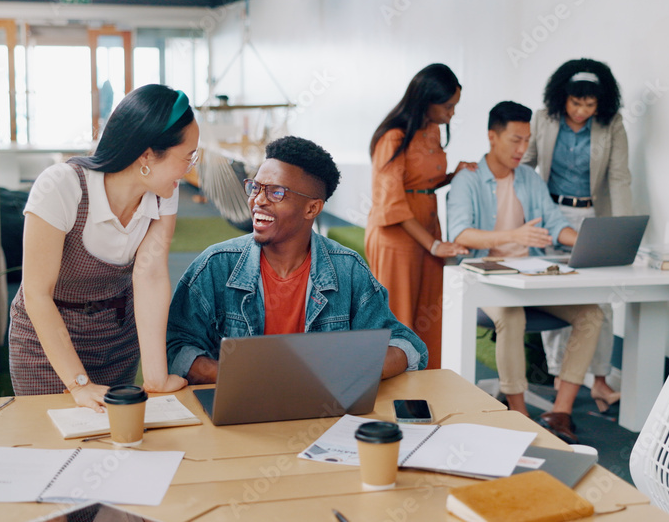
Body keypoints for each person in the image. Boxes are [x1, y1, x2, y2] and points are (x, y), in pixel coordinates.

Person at [166, 136, 428, 383]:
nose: (258, 200)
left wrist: (345, 373)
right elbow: (175, 348)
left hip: (322, 413)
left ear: (312, 208)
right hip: (242, 414)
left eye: (276, 193)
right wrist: (242, 378)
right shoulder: (215, 266)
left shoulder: (347, 270)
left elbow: (406, 345)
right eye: (255, 187)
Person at [9, 84, 195, 411]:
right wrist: (78, 383)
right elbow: (37, 293)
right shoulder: (61, 186)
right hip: (46, 348)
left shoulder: (164, 190)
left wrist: (155, 378)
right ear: (148, 155)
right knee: (53, 446)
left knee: (117, 443)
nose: (188, 169)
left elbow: (150, 275)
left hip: (115, 342)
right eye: (187, 157)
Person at [446, 101, 603, 444]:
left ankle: (559, 412)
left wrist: (587, 243)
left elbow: (556, 223)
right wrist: (512, 236)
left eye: (526, 140)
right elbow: (459, 233)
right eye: (515, 140)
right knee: (512, 317)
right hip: (483, 278)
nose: (522, 149)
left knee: (592, 314)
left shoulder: (529, 178)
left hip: (531, 278)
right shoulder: (468, 179)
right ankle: (520, 414)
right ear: (492, 137)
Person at [521, 58, 630, 412]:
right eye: (576, 103)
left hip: (590, 217)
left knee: (602, 297)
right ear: (561, 97)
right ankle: (559, 376)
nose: (582, 111)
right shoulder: (543, 119)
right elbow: (525, 166)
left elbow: (619, 177)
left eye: (590, 104)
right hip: (549, 214)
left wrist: (622, 231)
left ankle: (600, 380)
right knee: (555, 291)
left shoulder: (611, 124)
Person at [365, 63, 474, 370]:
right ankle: (390, 389)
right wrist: (433, 245)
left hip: (427, 232)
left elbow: (420, 183)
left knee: (429, 313)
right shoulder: (393, 138)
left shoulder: (433, 131)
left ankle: (427, 384)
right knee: (398, 315)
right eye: (449, 106)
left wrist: (453, 175)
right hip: (397, 236)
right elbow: (393, 202)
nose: (452, 113)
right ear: (427, 100)